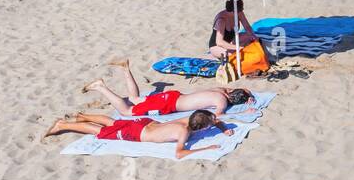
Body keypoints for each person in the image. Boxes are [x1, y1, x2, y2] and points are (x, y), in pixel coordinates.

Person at [82, 59, 253, 118]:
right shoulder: (221, 101)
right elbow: (220, 115)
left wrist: (248, 94)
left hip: (174, 96)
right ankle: (101, 87)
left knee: (134, 100)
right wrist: (242, 112)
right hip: (169, 105)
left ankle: (126, 69)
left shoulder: (221, 91)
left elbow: (243, 88)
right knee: (126, 111)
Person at [43, 108, 225, 159]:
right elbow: (179, 154)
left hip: (146, 123)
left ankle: (82, 115)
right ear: (201, 127)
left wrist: (223, 127)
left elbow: (210, 119)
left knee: (112, 122)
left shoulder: (189, 119)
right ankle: (62, 124)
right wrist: (207, 147)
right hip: (139, 133)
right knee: (102, 131)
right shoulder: (183, 132)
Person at [207, 0, 271, 78]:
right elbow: (220, 42)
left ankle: (264, 57)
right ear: (233, 10)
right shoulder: (221, 20)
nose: (240, 12)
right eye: (239, 10)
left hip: (231, 41)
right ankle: (219, 58)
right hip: (217, 46)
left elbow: (247, 27)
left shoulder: (239, 12)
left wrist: (253, 37)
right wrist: (238, 48)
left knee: (251, 38)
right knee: (236, 54)